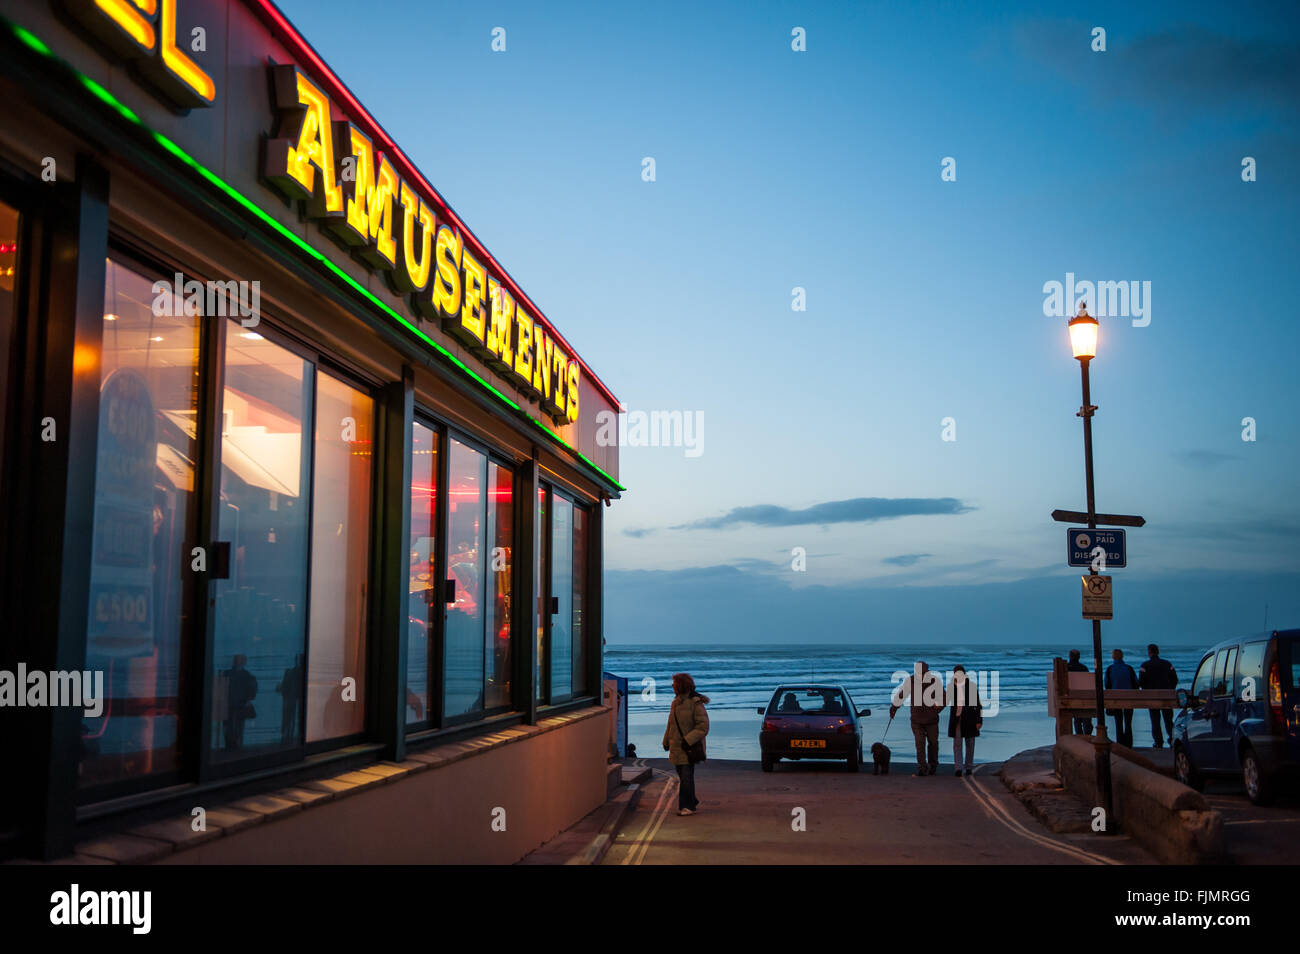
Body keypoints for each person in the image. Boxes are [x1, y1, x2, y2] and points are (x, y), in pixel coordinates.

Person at [662, 673, 710, 816]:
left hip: (688, 747)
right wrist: (665, 742)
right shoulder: (676, 702)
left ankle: (687, 806)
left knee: (686, 777)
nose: (672, 686)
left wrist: (688, 740)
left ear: (681, 685)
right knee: (683, 777)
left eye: (674, 683)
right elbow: (670, 724)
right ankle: (691, 801)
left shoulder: (695, 703)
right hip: (676, 747)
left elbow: (703, 726)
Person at [890, 661, 944, 776]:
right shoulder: (911, 680)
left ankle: (933, 765)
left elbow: (943, 697)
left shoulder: (935, 681)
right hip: (916, 719)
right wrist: (894, 707)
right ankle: (922, 767)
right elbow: (902, 694)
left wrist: (938, 708)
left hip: (932, 719)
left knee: (933, 743)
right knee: (920, 744)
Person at [1138, 643, 1178, 748]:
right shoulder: (1167, 664)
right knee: (1168, 720)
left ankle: (1158, 741)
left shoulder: (1145, 665)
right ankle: (1172, 739)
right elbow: (1174, 679)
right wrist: (1170, 689)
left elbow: (1141, 681)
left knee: (1155, 720)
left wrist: (1146, 690)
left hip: (1152, 696)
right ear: (1158, 652)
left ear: (1149, 653)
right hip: (1166, 695)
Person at [947, 665, 982, 776]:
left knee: (970, 744)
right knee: (957, 744)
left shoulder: (971, 686)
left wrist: (979, 720)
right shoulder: (951, 686)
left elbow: (978, 704)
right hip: (957, 719)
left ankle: (968, 767)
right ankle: (958, 768)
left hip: (970, 719)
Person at [1104, 648, 1138, 748]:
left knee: (1118, 722)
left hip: (1116, 699)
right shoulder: (1129, 668)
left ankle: (1120, 744)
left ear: (1113, 657)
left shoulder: (1110, 669)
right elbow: (1135, 683)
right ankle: (1128, 744)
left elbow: (1107, 684)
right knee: (1128, 722)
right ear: (1122, 656)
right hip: (1129, 698)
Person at [1066, 649, 1093, 735]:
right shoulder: (1083, 668)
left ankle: (1079, 736)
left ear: (1070, 656)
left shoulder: (1066, 667)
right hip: (1084, 695)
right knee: (1085, 718)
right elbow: (1089, 683)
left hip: (1070, 696)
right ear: (1079, 657)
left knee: (1077, 720)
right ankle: (1086, 736)